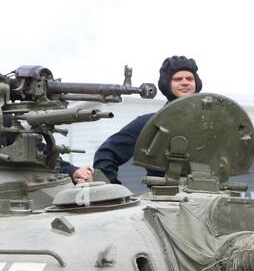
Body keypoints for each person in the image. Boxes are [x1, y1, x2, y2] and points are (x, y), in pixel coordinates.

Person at [85, 56, 201, 184]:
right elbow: (106, 155)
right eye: (177, 79)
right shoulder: (151, 124)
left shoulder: (211, 123)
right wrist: (116, 191)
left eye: (189, 79)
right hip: (166, 194)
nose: (185, 83)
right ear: (167, 84)